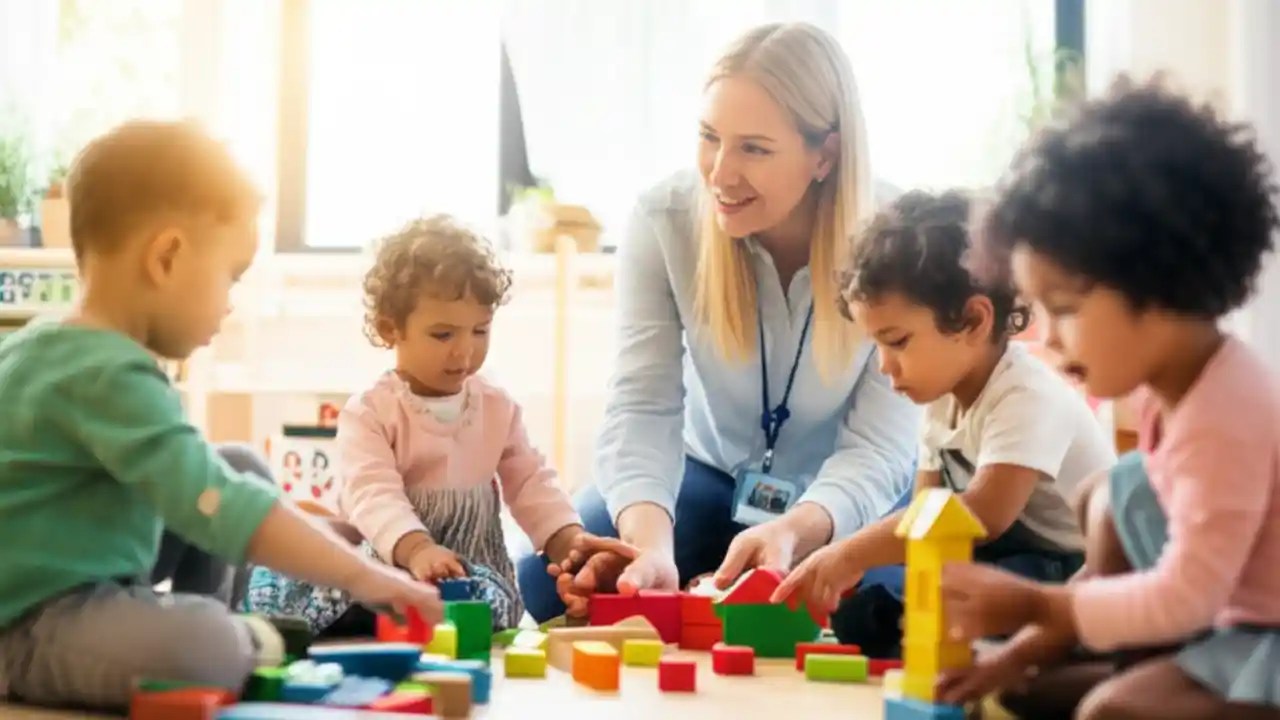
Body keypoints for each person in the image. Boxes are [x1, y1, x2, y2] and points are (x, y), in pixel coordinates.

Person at [0, 120, 443, 712]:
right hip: (31, 620)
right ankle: (227, 640)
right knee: (204, 645)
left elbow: (211, 489)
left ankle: (216, 627)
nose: (230, 301)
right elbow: (220, 506)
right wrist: (367, 577)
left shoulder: (46, 347)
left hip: (85, 562)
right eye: (229, 275)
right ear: (167, 257)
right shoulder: (109, 373)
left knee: (240, 466)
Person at [517, 22, 920, 621]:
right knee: (556, 581)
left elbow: (880, 448)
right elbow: (642, 407)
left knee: (877, 610)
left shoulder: (899, 239)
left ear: (824, 156)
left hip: (842, 497)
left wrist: (797, 531)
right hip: (707, 473)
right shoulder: (665, 221)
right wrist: (649, 546)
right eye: (710, 137)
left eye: (754, 148)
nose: (720, 174)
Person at [939, 79, 1280, 719]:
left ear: (1157, 282)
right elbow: (1101, 580)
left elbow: (1190, 596)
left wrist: (1034, 605)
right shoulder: (1168, 390)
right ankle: (1143, 668)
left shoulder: (1227, 412)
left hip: (1262, 643)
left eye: (1064, 309)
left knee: (1112, 713)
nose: (1050, 335)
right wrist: (1013, 655)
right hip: (1223, 625)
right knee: (1111, 494)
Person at [770, 189, 1114, 657]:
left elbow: (981, 517)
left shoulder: (1026, 395)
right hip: (986, 555)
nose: (884, 366)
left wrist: (850, 552)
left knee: (944, 596)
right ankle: (906, 625)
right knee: (876, 595)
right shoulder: (940, 400)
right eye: (877, 345)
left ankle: (941, 635)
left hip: (1067, 566)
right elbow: (925, 517)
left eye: (897, 341)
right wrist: (853, 565)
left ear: (973, 320)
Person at [242, 216, 627, 633]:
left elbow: (533, 483)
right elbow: (374, 496)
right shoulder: (371, 412)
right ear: (391, 329)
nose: (465, 351)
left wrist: (570, 542)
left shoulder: (497, 406)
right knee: (333, 603)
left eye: (480, 330)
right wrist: (417, 549)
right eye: (443, 335)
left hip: (469, 569)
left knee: (491, 605)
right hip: (391, 563)